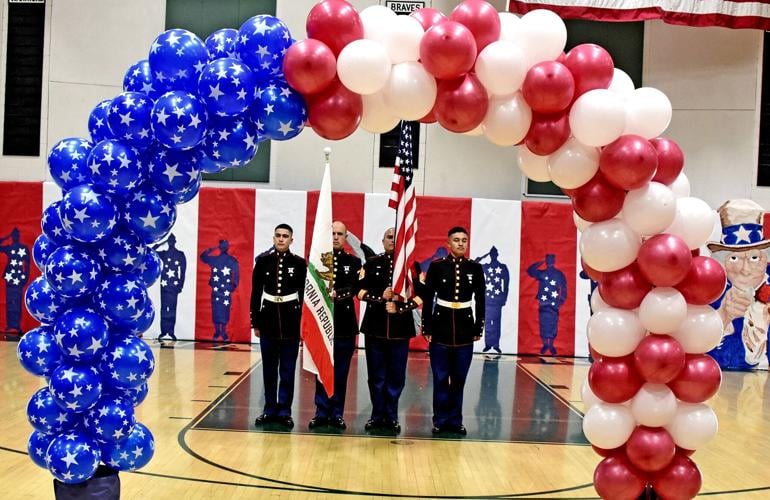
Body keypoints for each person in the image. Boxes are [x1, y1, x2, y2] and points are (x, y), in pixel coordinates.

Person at [421, 226, 485, 435]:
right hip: (440, 328)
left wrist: (478, 326)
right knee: (440, 378)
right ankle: (440, 420)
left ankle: (455, 420)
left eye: (464, 240)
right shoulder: (437, 267)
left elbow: (481, 300)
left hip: (465, 330)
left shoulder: (475, 268)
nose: (460, 243)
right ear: (448, 244)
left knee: (459, 379)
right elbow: (428, 297)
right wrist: (427, 326)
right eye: (456, 240)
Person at [358, 227, 422, 433]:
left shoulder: (411, 266)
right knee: (376, 375)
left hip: (400, 329)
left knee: (396, 376)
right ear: (382, 240)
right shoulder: (372, 263)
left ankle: (392, 415)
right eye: (389, 237)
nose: (392, 240)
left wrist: (401, 306)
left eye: (397, 237)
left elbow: (422, 296)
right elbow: (358, 291)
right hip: (375, 327)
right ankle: (377, 415)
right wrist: (380, 297)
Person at [251, 223, 307, 428]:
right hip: (268, 321)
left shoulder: (300, 264)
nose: (281, 239)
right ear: (273, 238)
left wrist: (303, 323)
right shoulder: (263, 261)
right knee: (269, 369)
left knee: (288, 370)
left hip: (291, 322)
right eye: (278, 236)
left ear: (291, 240)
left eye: (285, 236)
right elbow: (256, 293)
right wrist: (255, 321)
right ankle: (269, 409)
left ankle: (284, 410)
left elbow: (304, 296)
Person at [308, 221, 362, 430]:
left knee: (341, 372)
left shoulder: (354, 262)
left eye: (340, 234)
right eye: (332, 234)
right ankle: (321, 412)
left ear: (346, 236)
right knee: (321, 371)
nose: (336, 237)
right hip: (321, 323)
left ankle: (337, 413)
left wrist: (338, 294)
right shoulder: (317, 262)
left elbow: (355, 288)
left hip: (344, 326)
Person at [708, 199, 770, 370]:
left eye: (754, 258)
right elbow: (699, 344)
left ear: (766, 259)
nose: (745, 270)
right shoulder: (712, 291)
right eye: (734, 258)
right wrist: (723, 316)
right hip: (727, 377)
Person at [526, 254, 567, 356]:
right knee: (543, 325)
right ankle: (545, 345)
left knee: (553, 325)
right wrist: (539, 263)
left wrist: (560, 301)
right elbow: (530, 271)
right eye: (547, 260)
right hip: (543, 304)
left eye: (551, 259)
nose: (549, 261)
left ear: (554, 260)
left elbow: (564, 288)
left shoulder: (559, 274)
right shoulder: (542, 273)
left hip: (553, 304)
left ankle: (551, 345)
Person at [200, 240, 240, 342]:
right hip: (221, 289)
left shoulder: (225, 260)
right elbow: (202, 257)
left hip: (221, 289)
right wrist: (232, 287)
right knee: (220, 310)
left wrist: (213, 248)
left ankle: (222, 332)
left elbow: (236, 275)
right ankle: (219, 332)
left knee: (220, 310)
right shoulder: (229, 260)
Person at [475, 246, 510, 354]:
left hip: (498, 299)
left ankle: (496, 345)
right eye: (491, 254)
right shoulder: (486, 266)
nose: (493, 255)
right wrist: (482, 257)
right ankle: (488, 345)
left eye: (494, 254)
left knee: (496, 323)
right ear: (490, 255)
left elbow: (506, 284)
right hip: (487, 298)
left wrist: (504, 297)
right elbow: (475, 264)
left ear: (497, 255)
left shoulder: (503, 267)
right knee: (487, 323)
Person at [152, 233, 186, 341]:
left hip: (174, 285)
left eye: (172, 241)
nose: (171, 243)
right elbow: (153, 251)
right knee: (164, 309)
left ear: (174, 242)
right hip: (165, 284)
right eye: (169, 241)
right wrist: (162, 243)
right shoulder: (164, 254)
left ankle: (171, 331)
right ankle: (163, 331)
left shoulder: (180, 254)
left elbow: (183, 272)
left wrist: (180, 285)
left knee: (172, 309)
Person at [0, 228, 30, 334]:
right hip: (10, 276)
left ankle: (16, 325)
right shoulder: (9, 248)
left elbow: (27, 263)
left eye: (16, 234)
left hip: (19, 276)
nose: (15, 236)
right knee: (9, 302)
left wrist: (26, 276)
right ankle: (10, 325)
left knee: (17, 302)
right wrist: (6, 237)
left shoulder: (24, 248)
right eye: (13, 235)